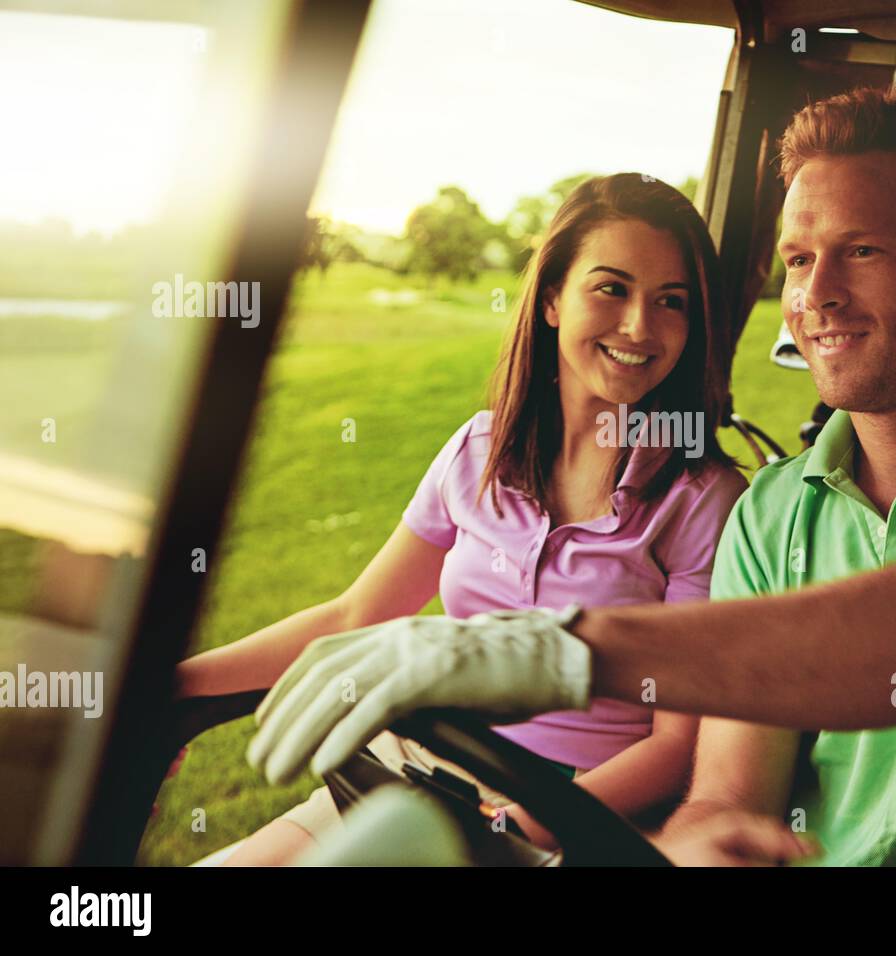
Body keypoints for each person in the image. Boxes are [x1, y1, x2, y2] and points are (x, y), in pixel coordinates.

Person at [249, 87, 896, 866]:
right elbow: (725, 794)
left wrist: (561, 648)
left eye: (859, 252)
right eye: (796, 259)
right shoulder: (773, 516)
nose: (816, 294)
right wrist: (704, 842)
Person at [180, 172, 748, 863]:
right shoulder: (478, 450)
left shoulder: (703, 501)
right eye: (611, 288)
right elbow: (356, 614)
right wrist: (171, 693)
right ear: (550, 301)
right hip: (415, 774)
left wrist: (510, 826)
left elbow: (674, 745)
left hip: (562, 826)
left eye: (672, 302)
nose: (639, 325)